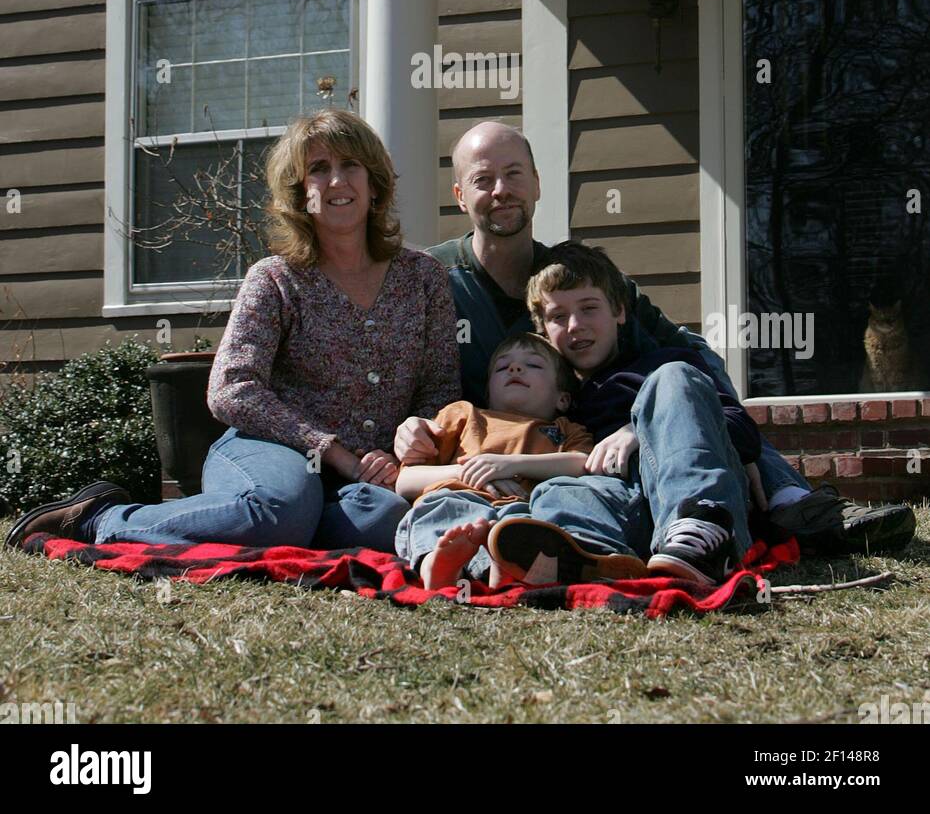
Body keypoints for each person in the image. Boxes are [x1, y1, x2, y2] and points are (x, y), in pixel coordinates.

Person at [397, 120, 915, 556]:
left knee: (680, 394)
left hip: (603, 449)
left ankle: (793, 506)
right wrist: (408, 429)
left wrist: (741, 443)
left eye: (513, 174)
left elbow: (693, 360)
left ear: (536, 182)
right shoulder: (429, 278)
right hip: (496, 466)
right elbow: (402, 374)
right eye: (483, 179)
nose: (501, 190)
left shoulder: (581, 279)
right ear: (460, 195)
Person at [6, 110, 460, 555]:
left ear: (374, 183)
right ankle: (101, 517)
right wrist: (334, 451)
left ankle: (279, 527)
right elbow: (231, 389)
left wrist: (404, 446)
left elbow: (440, 387)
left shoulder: (423, 277)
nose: (336, 181)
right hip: (269, 450)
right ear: (300, 192)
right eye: (318, 169)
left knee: (384, 523)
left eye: (350, 166)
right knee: (279, 509)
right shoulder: (276, 279)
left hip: (371, 470)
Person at [526, 242, 761, 584]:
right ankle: (598, 560)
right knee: (555, 491)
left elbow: (742, 433)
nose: (575, 325)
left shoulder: (663, 362)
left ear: (620, 311)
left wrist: (637, 429)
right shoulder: (560, 398)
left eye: (589, 308)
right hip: (630, 507)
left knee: (672, 378)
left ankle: (702, 537)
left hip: (700, 502)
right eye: (558, 317)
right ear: (542, 329)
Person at [393, 332, 649, 588]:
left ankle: (503, 566)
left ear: (562, 398)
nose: (514, 368)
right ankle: (436, 565)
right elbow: (405, 481)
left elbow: (582, 464)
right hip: (459, 497)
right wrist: (471, 472)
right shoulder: (463, 414)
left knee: (527, 528)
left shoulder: (565, 429)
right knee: (441, 509)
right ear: (488, 391)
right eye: (503, 366)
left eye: (533, 365)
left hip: (523, 511)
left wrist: (511, 464)